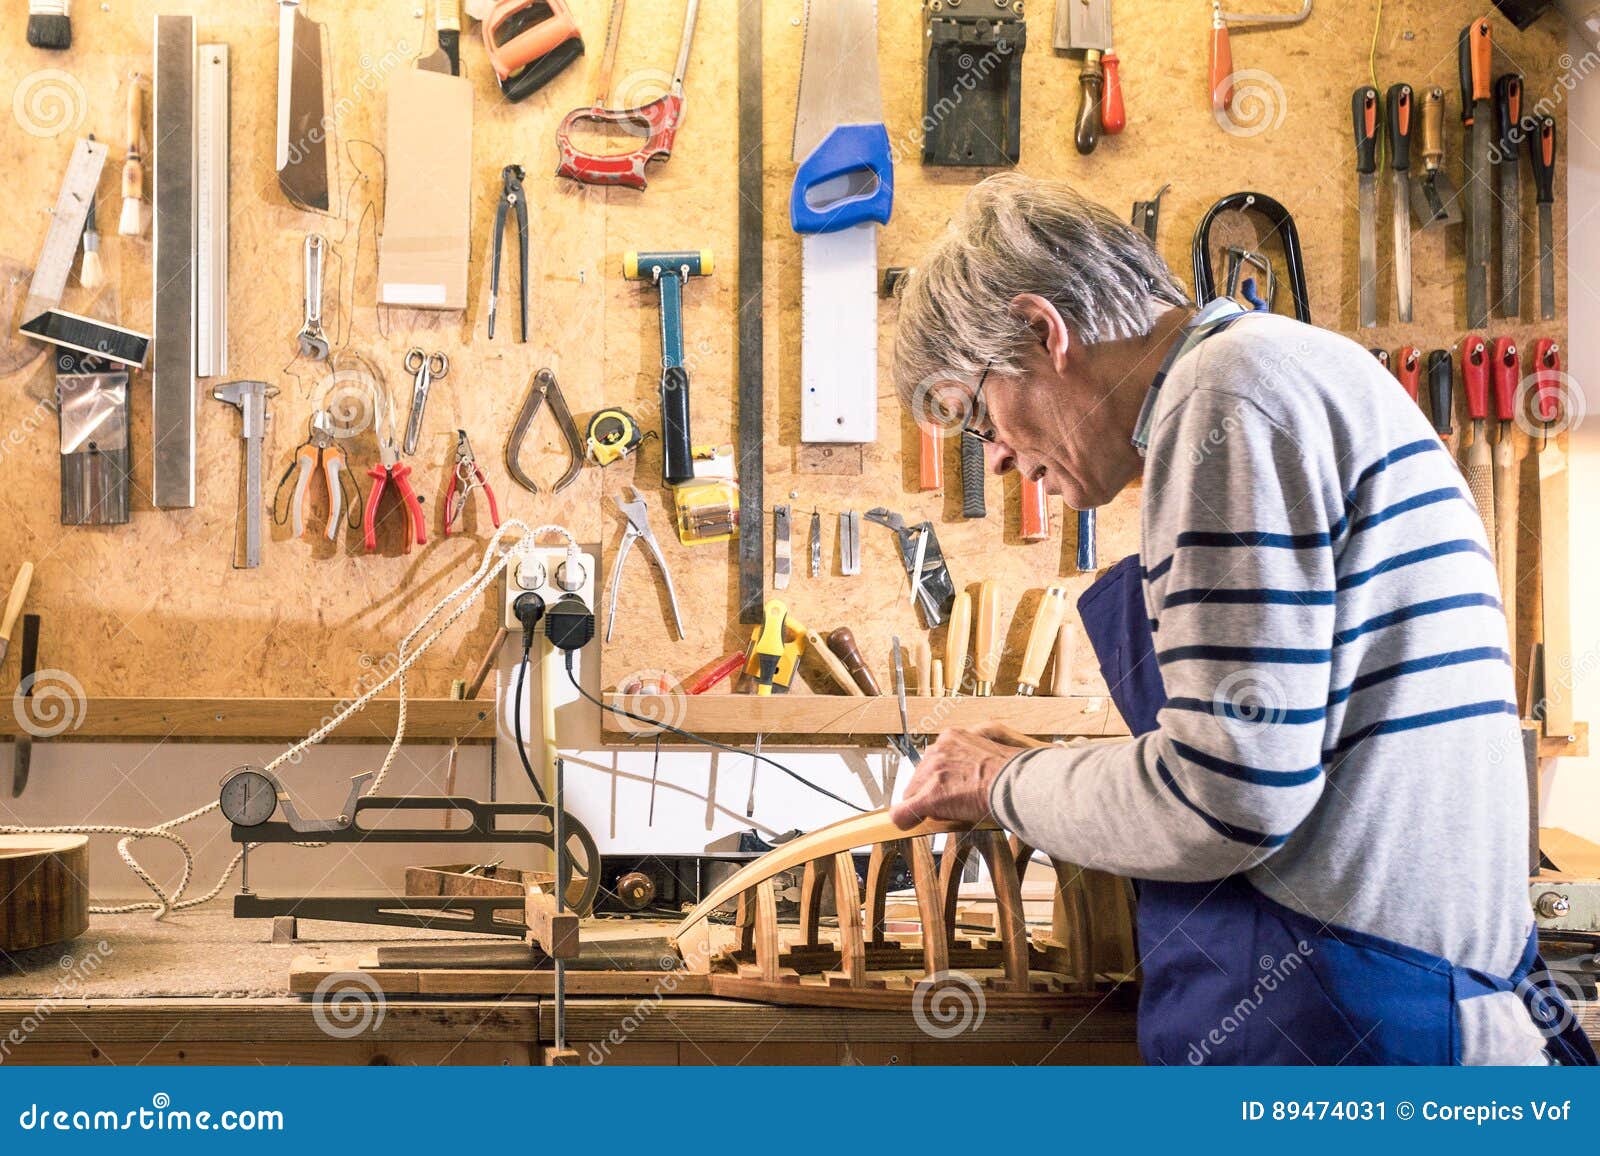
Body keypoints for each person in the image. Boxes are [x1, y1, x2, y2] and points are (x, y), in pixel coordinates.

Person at [886, 173, 1593, 1066]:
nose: (996, 461)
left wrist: (999, 786)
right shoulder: (1280, 368)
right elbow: (1256, 753)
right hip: (1394, 997)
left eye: (981, 416)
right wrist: (1037, 770)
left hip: (1356, 1026)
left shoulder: (1222, 399)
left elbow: (1229, 799)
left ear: (1041, 330)